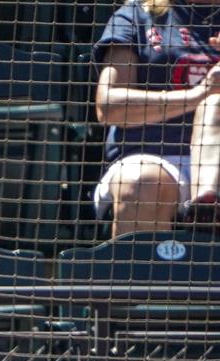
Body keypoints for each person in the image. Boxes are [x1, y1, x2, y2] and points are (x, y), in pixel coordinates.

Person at [93, 0, 220, 236]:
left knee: (216, 103)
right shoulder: (136, 15)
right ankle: (204, 211)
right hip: (155, 155)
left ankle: (206, 205)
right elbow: (109, 106)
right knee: (139, 185)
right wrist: (197, 95)